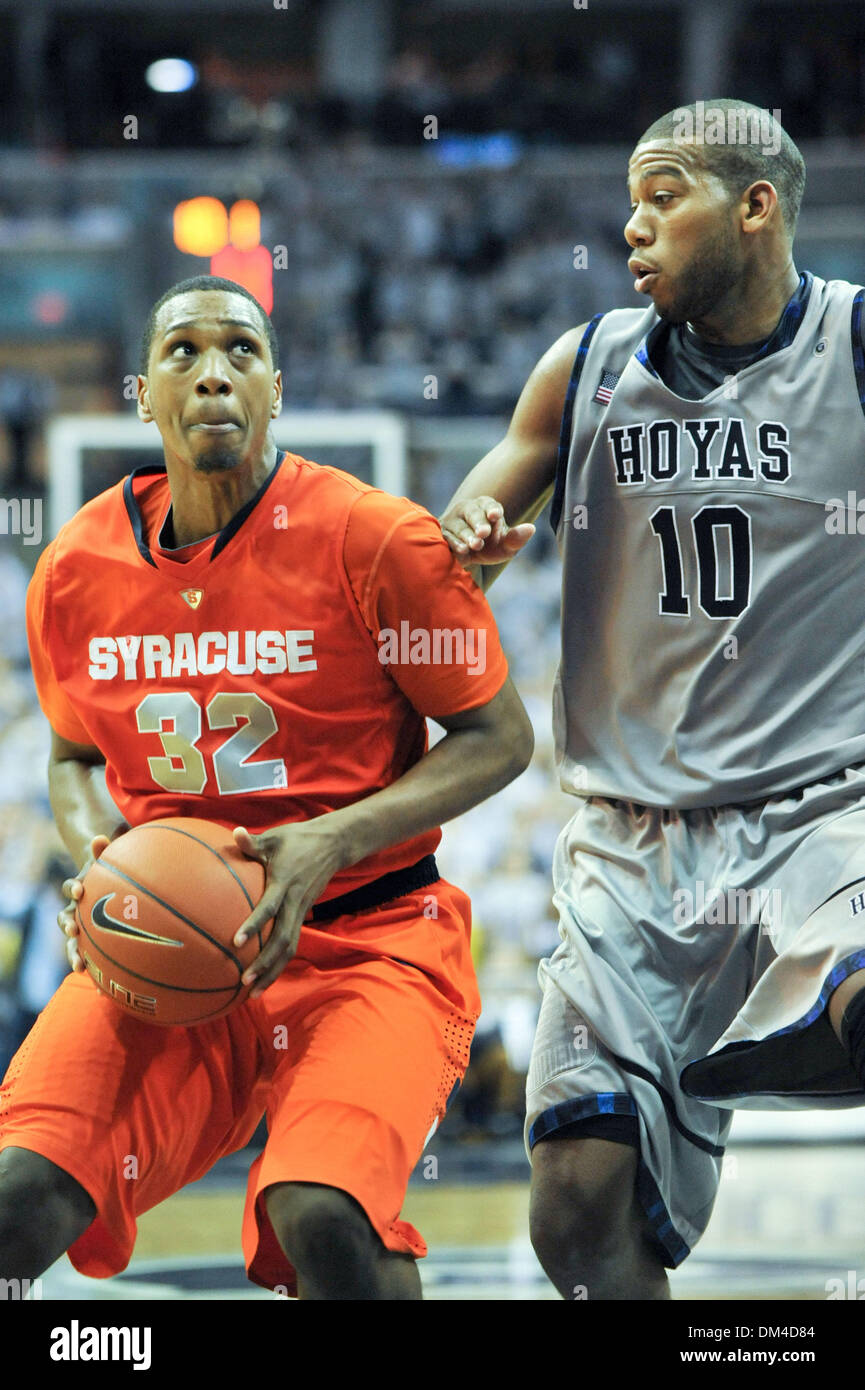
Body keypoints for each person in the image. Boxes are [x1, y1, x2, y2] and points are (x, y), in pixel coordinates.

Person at [0, 274, 534, 1300]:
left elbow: (499, 738)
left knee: (319, 1212)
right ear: (143, 393)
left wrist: (333, 838)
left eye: (240, 352)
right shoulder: (72, 569)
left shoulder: (372, 535)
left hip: (368, 938)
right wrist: (98, 854)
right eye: (183, 354)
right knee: (19, 1190)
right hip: (171, 953)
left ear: (276, 390)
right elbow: (70, 756)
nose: (212, 374)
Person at [439, 99, 865, 1300]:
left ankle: (811, 1008)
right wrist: (469, 534)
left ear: (755, 205)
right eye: (630, 198)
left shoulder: (853, 346)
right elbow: (474, 517)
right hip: (631, 842)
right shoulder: (583, 368)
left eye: (661, 195)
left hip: (821, 812)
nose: (630, 225)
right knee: (574, 1209)